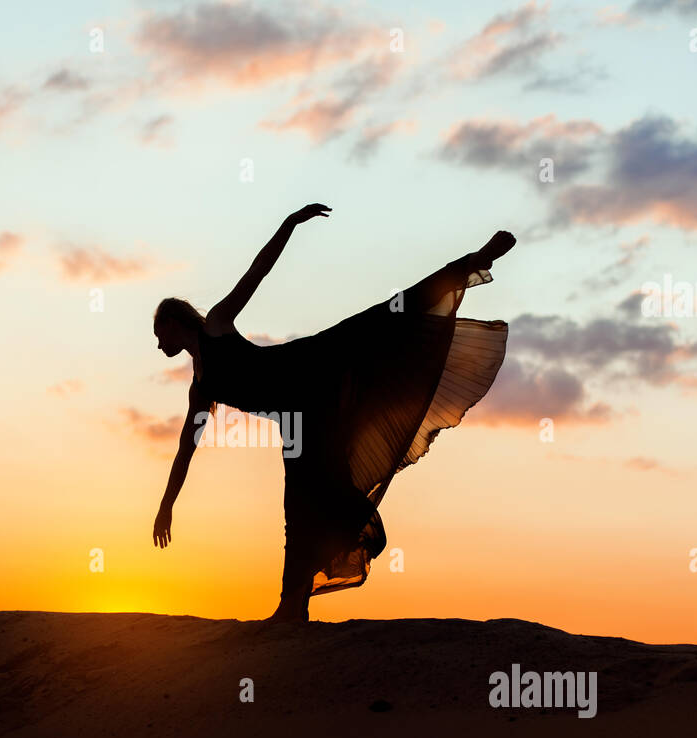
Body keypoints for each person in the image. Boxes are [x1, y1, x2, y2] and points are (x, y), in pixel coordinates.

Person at [152, 203, 514, 621]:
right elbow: (185, 450)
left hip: (308, 367)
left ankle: (471, 263)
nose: (158, 343)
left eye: (159, 332)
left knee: (379, 321)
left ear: (175, 323)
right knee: (299, 507)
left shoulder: (215, 324)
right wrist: (167, 505)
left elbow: (257, 273)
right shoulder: (201, 388)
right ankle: (296, 603)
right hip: (297, 418)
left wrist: (289, 224)